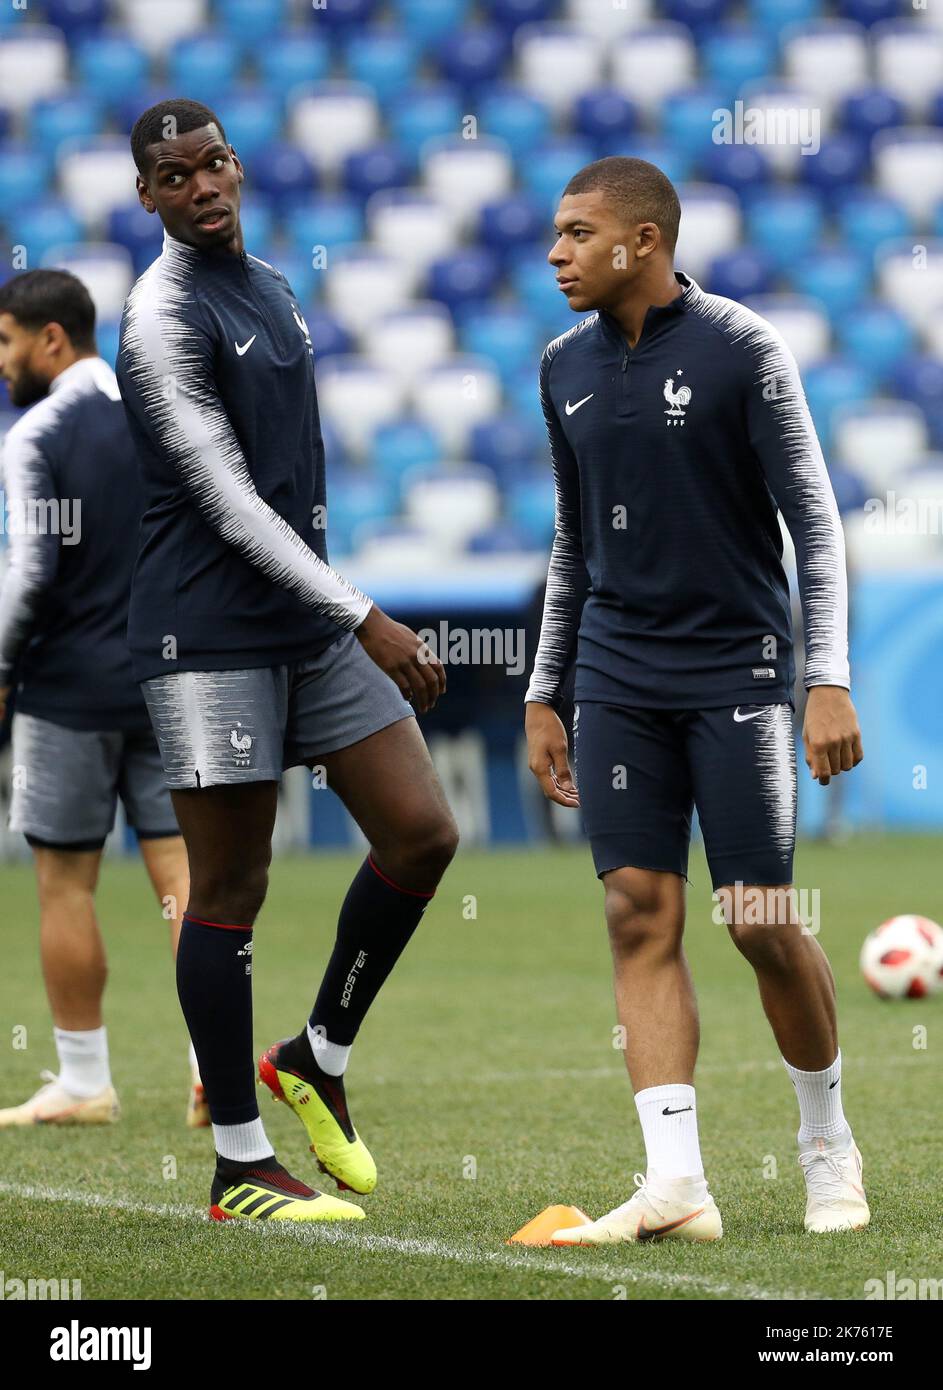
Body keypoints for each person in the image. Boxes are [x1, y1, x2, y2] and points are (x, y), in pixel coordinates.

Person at [117, 99, 459, 1224]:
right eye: (175, 176)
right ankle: (236, 1163)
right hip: (205, 630)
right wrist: (363, 610)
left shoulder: (271, 285)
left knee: (421, 830)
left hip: (302, 618)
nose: (202, 186)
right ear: (148, 197)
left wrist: (336, 607)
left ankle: (315, 1052)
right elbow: (222, 500)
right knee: (231, 887)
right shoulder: (158, 318)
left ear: (237, 165)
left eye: (213, 163)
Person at [524, 157, 866, 1244]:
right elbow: (573, 540)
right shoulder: (558, 365)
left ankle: (826, 1143)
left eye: (578, 233)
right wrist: (546, 691)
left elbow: (813, 521)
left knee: (757, 918)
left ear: (645, 241)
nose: (556, 253)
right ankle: (675, 1181)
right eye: (556, 233)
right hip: (617, 671)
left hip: (737, 672)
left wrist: (825, 677)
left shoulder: (742, 350)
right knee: (637, 908)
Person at [0, 269, 199, 1129]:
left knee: (65, 886)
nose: (3, 363)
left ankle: (85, 1081)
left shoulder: (37, 433)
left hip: (67, 692)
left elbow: (32, 574)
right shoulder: (158, 419)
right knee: (189, 881)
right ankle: (211, 1069)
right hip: (167, 678)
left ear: (50, 340)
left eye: (6, 343)